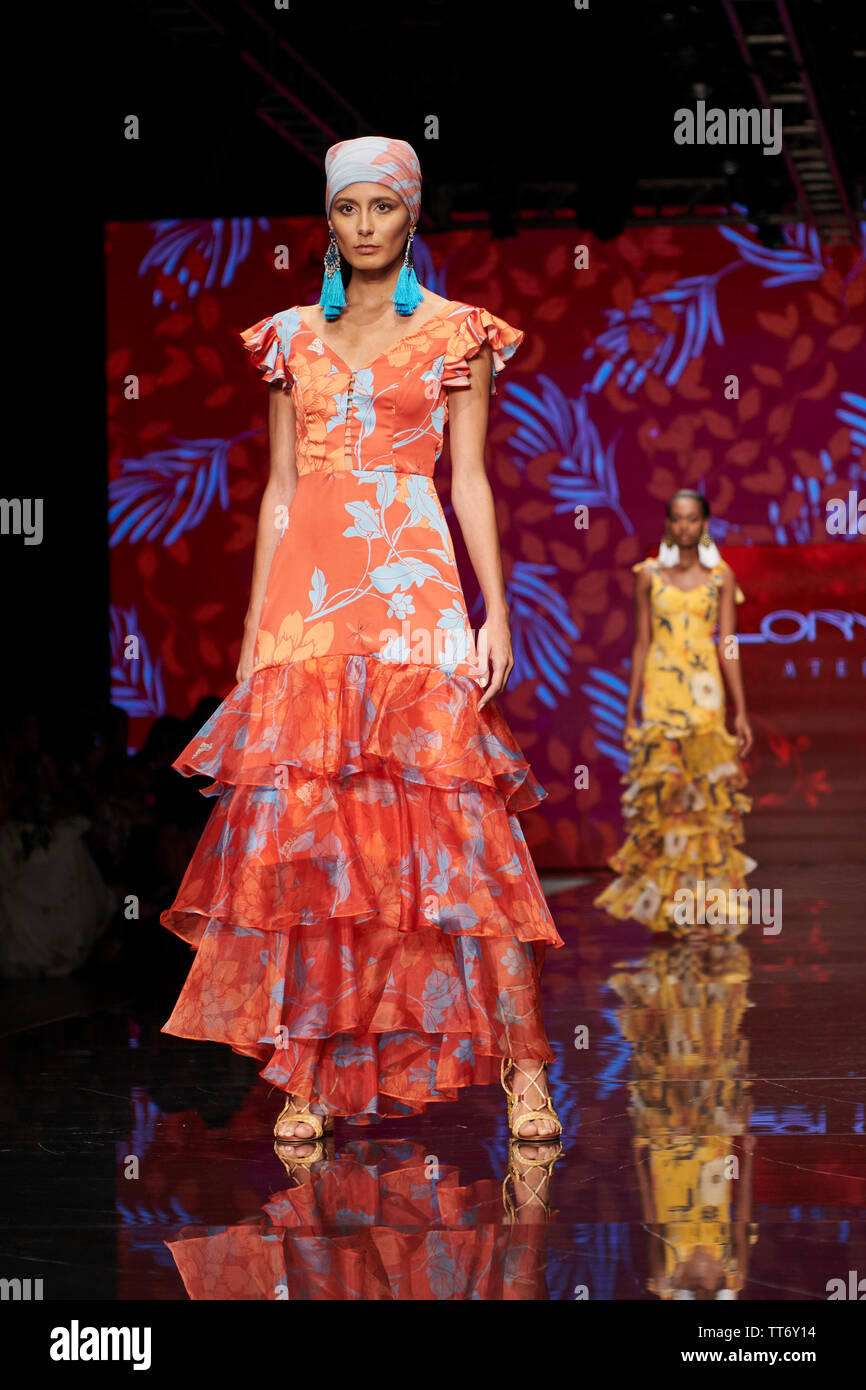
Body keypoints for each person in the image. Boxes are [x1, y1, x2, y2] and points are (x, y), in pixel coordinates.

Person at [159, 136, 563, 1152]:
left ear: (411, 215)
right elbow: (282, 487)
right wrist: (257, 633)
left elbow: (467, 478)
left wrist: (495, 610)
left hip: (414, 581)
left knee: (458, 825)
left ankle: (522, 1071)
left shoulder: (456, 334)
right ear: (329, 221)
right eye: (349, 209)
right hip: (310, 597)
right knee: (313, 842)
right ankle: (309, 1078)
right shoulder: (288, 336)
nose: (367, 224)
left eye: (384, 206)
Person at [594, 489, 755, 940]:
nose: (684, 527)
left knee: (703, 802)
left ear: (704, 524)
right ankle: (670, 909)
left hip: (705, 695)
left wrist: (740, 711)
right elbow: (641, 644)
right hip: (662, 695)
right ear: (668, 523)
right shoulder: (647, 576)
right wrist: (630, 714)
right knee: (666, 802)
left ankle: (704, 909)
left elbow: (728, 643)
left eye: (692, 519)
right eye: (677, 519)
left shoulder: (721, 576)